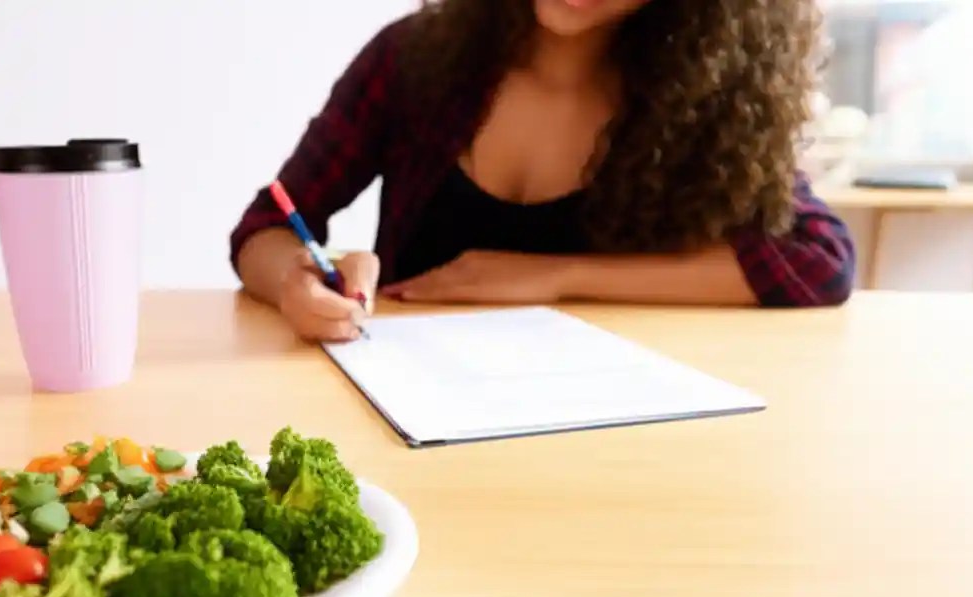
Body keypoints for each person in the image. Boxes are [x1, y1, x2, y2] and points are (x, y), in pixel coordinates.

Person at [230, 0, 856, 342]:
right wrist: (296, 282)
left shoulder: (707, 99)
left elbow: (818, 261)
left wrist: (557, 277)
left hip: (622, 441)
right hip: (410, 426)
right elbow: (268, 223)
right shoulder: (411, 61)